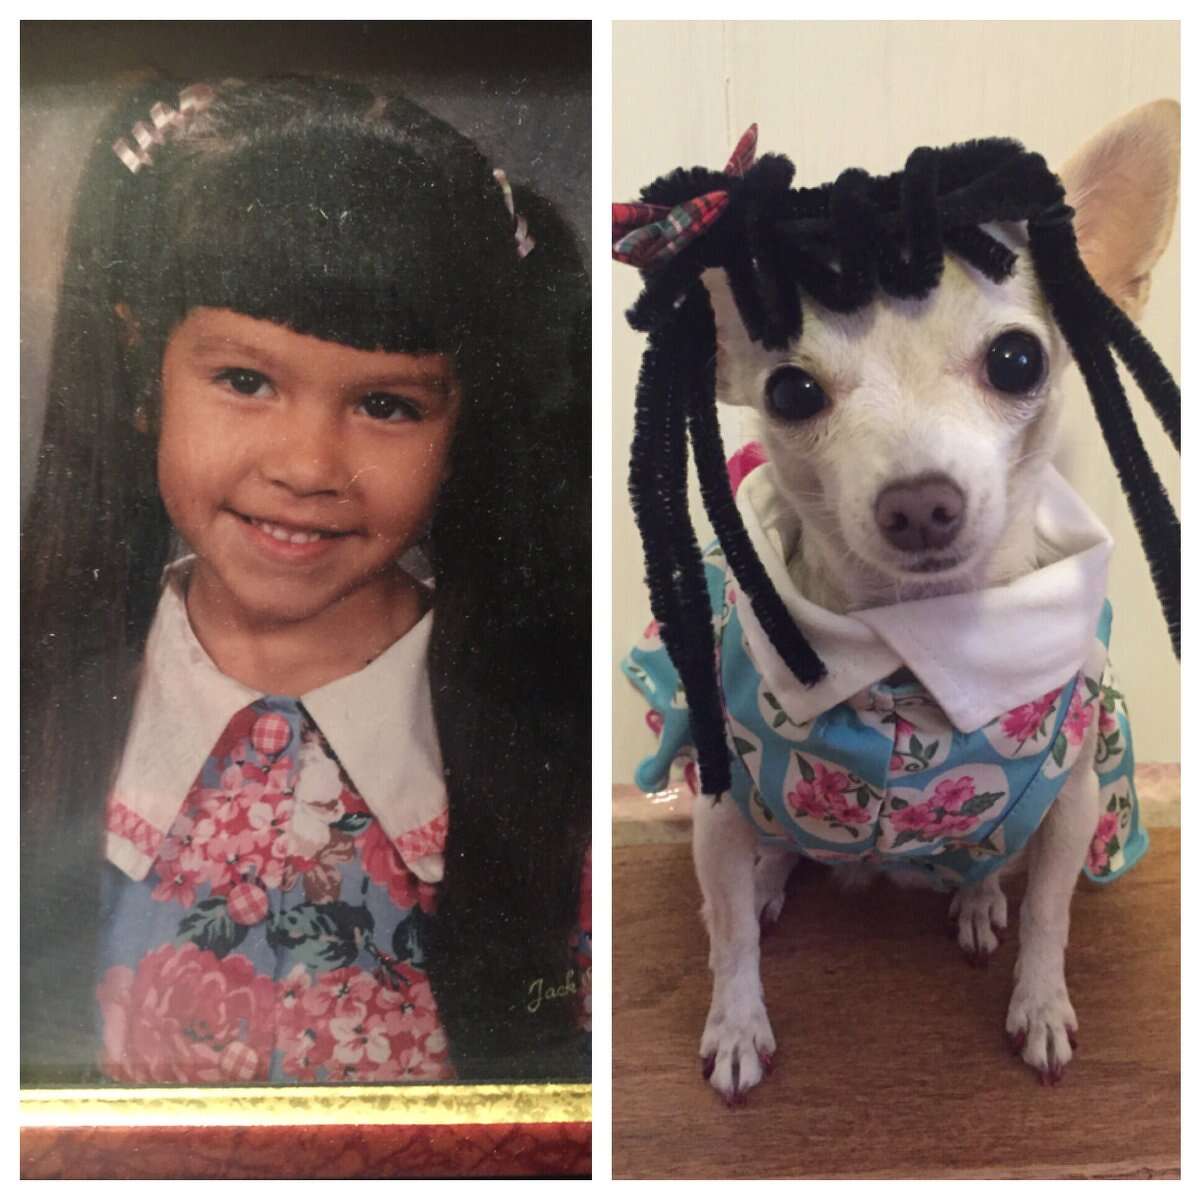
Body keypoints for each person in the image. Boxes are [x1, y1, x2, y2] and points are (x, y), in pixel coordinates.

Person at [21, 76, 591, 1086]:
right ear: (141, 363)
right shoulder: (38, 717)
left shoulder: (553, 743)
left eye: (386, 404)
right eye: (244, 382)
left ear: (463, 426)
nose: (308, 465)